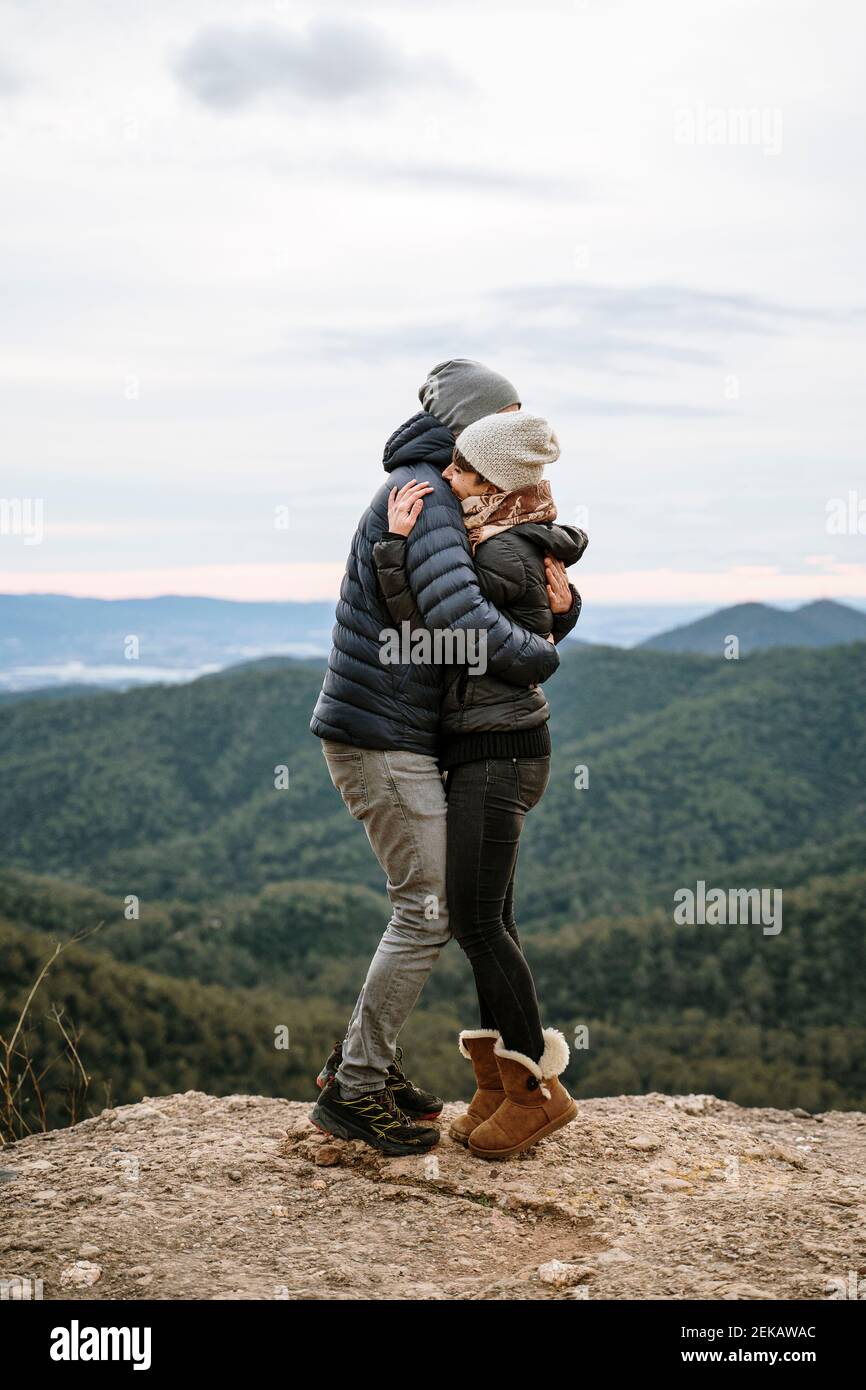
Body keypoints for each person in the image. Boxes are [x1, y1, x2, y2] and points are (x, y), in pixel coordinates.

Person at [308, 361, 561, 1156]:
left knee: (452, 910)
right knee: (431, 912)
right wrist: (541, 650)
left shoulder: (445, 491)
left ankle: (363, 1070)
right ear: (468, 423)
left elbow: (502, 593)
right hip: (384, 736)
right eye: (504, 415)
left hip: (402, 733)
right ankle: (355, 1088)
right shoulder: (432, 495)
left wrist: (555, 610)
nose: (515, 429)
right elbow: (456, 623)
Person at [372, 411, 587, 1159]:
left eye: (462, 471)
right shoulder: (509, 538)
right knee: (490, 917)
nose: (450, 481)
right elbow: (541, 611)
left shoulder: (496, 550)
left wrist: (397, 555)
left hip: (497, 752)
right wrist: (565, 613)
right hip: (499, 748)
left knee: (479, 921)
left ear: (494, 481)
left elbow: (435, 639)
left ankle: (533, 1094)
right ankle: (500, 1084)